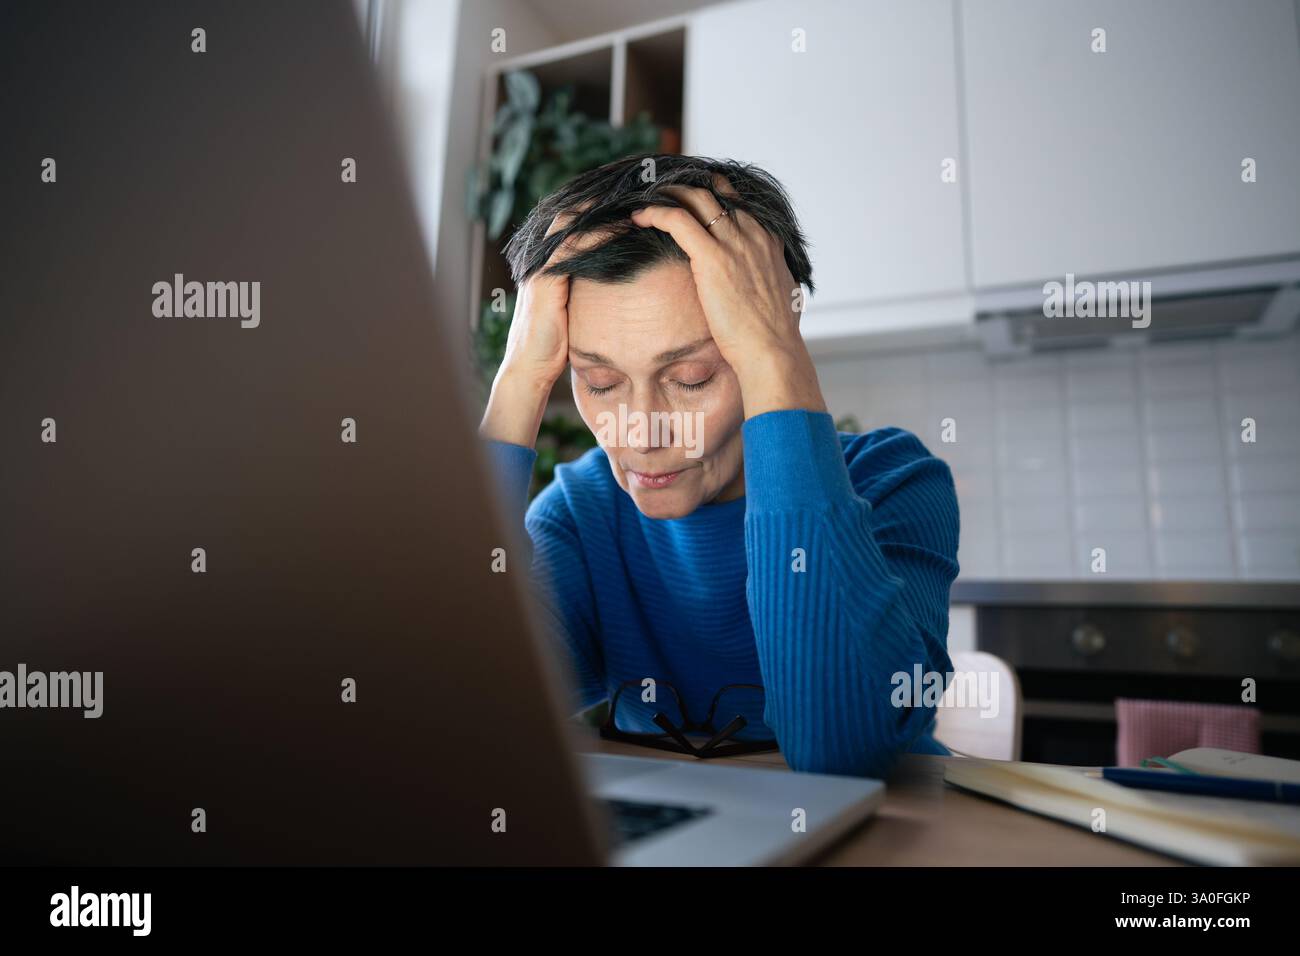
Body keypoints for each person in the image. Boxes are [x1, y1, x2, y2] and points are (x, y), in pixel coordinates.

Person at [478, 154, 960, 777]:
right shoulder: (580, 515)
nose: (641, 433)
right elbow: (455, 720)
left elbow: (842, 751)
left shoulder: (894, 484)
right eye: (598, 382)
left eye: (691, 377)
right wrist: (519, 379)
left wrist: (772, 351)